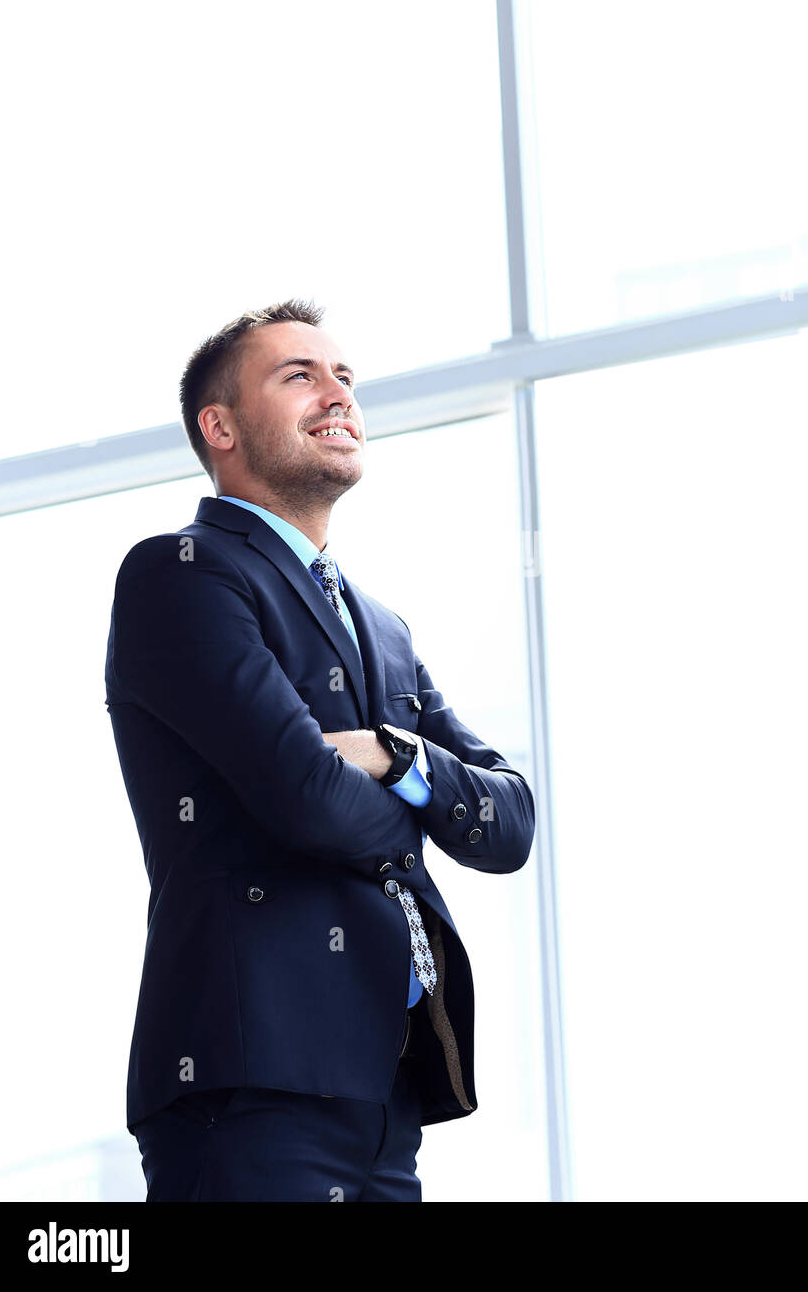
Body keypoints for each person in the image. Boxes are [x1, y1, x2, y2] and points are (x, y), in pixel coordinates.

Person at [105, 298, 535, 1201]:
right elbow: (305, 796)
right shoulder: (181, 575)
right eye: (298, 375)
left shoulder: (381, 626)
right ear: (217, 427)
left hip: (386, 1086)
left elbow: (510, 823)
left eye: (344, 376)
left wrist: (391, 753)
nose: (336, 393)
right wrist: (421, 798)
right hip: (250, 1081)